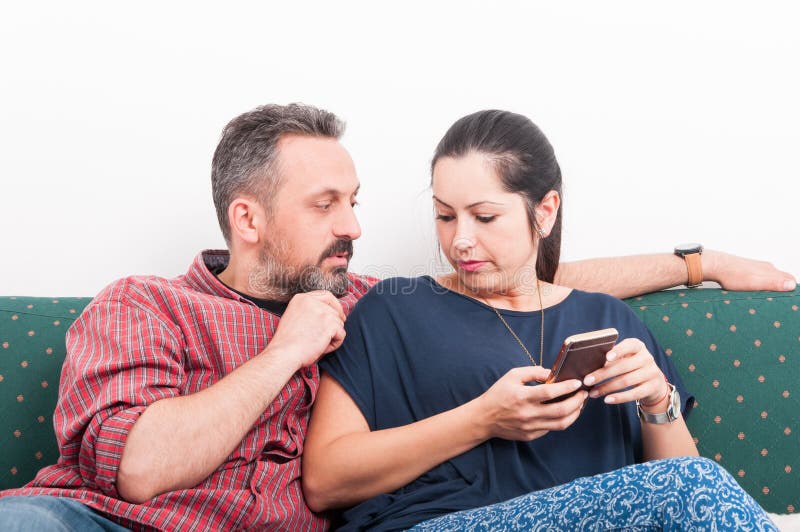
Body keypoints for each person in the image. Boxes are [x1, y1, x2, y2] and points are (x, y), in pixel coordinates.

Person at [0, 104, 793, 531]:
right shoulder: (148, 304)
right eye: (326, 205)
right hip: (95, 522)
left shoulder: (369, 294)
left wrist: (701, 264)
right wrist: (286, 350)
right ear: (248, 220)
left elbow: (527, 276)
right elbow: (137, 468)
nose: (353, 225)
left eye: (355, 203)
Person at [302, 110, 780, 531]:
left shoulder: (608, 317)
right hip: (437, 521)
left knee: (691, 484)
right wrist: (484, 419)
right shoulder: (394, 309)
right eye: (445, 216)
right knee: (689, 485)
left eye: (484, 217)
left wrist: (658, 400)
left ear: (544, 212)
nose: (460, 240)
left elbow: (689, 506)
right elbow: (324, 480)